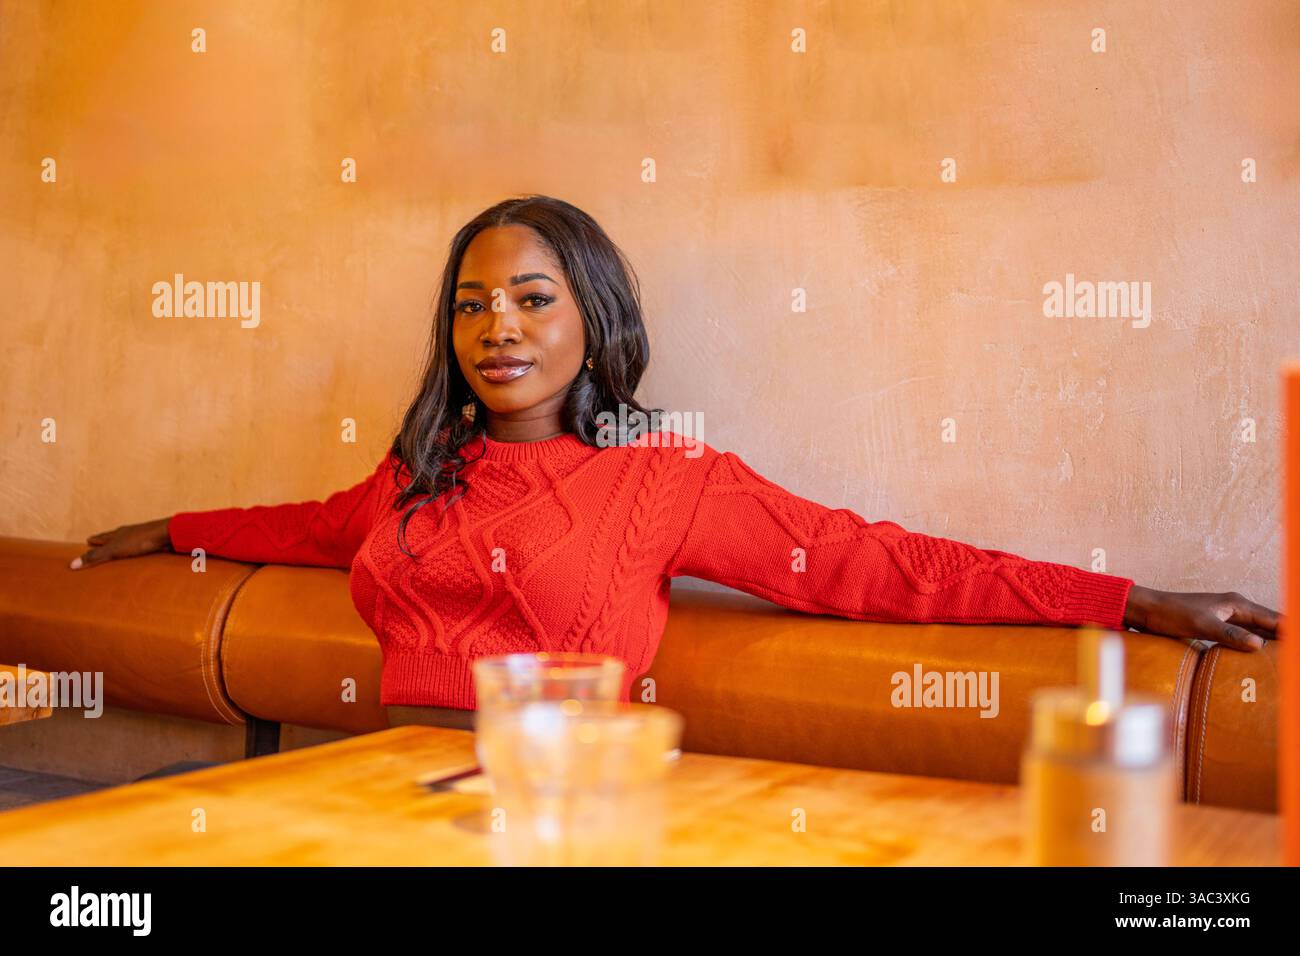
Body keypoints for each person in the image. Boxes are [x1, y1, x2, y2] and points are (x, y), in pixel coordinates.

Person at [68, 195, 1283, 710]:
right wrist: (168, 529)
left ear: (593, 315)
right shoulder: (416, 476)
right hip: (387, 786)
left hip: (576, 814)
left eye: (534, 298)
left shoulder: (666, 480)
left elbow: (885, 566)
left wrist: (1128, 599)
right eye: (472, 302)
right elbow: (305, 526)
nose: (498, 327)